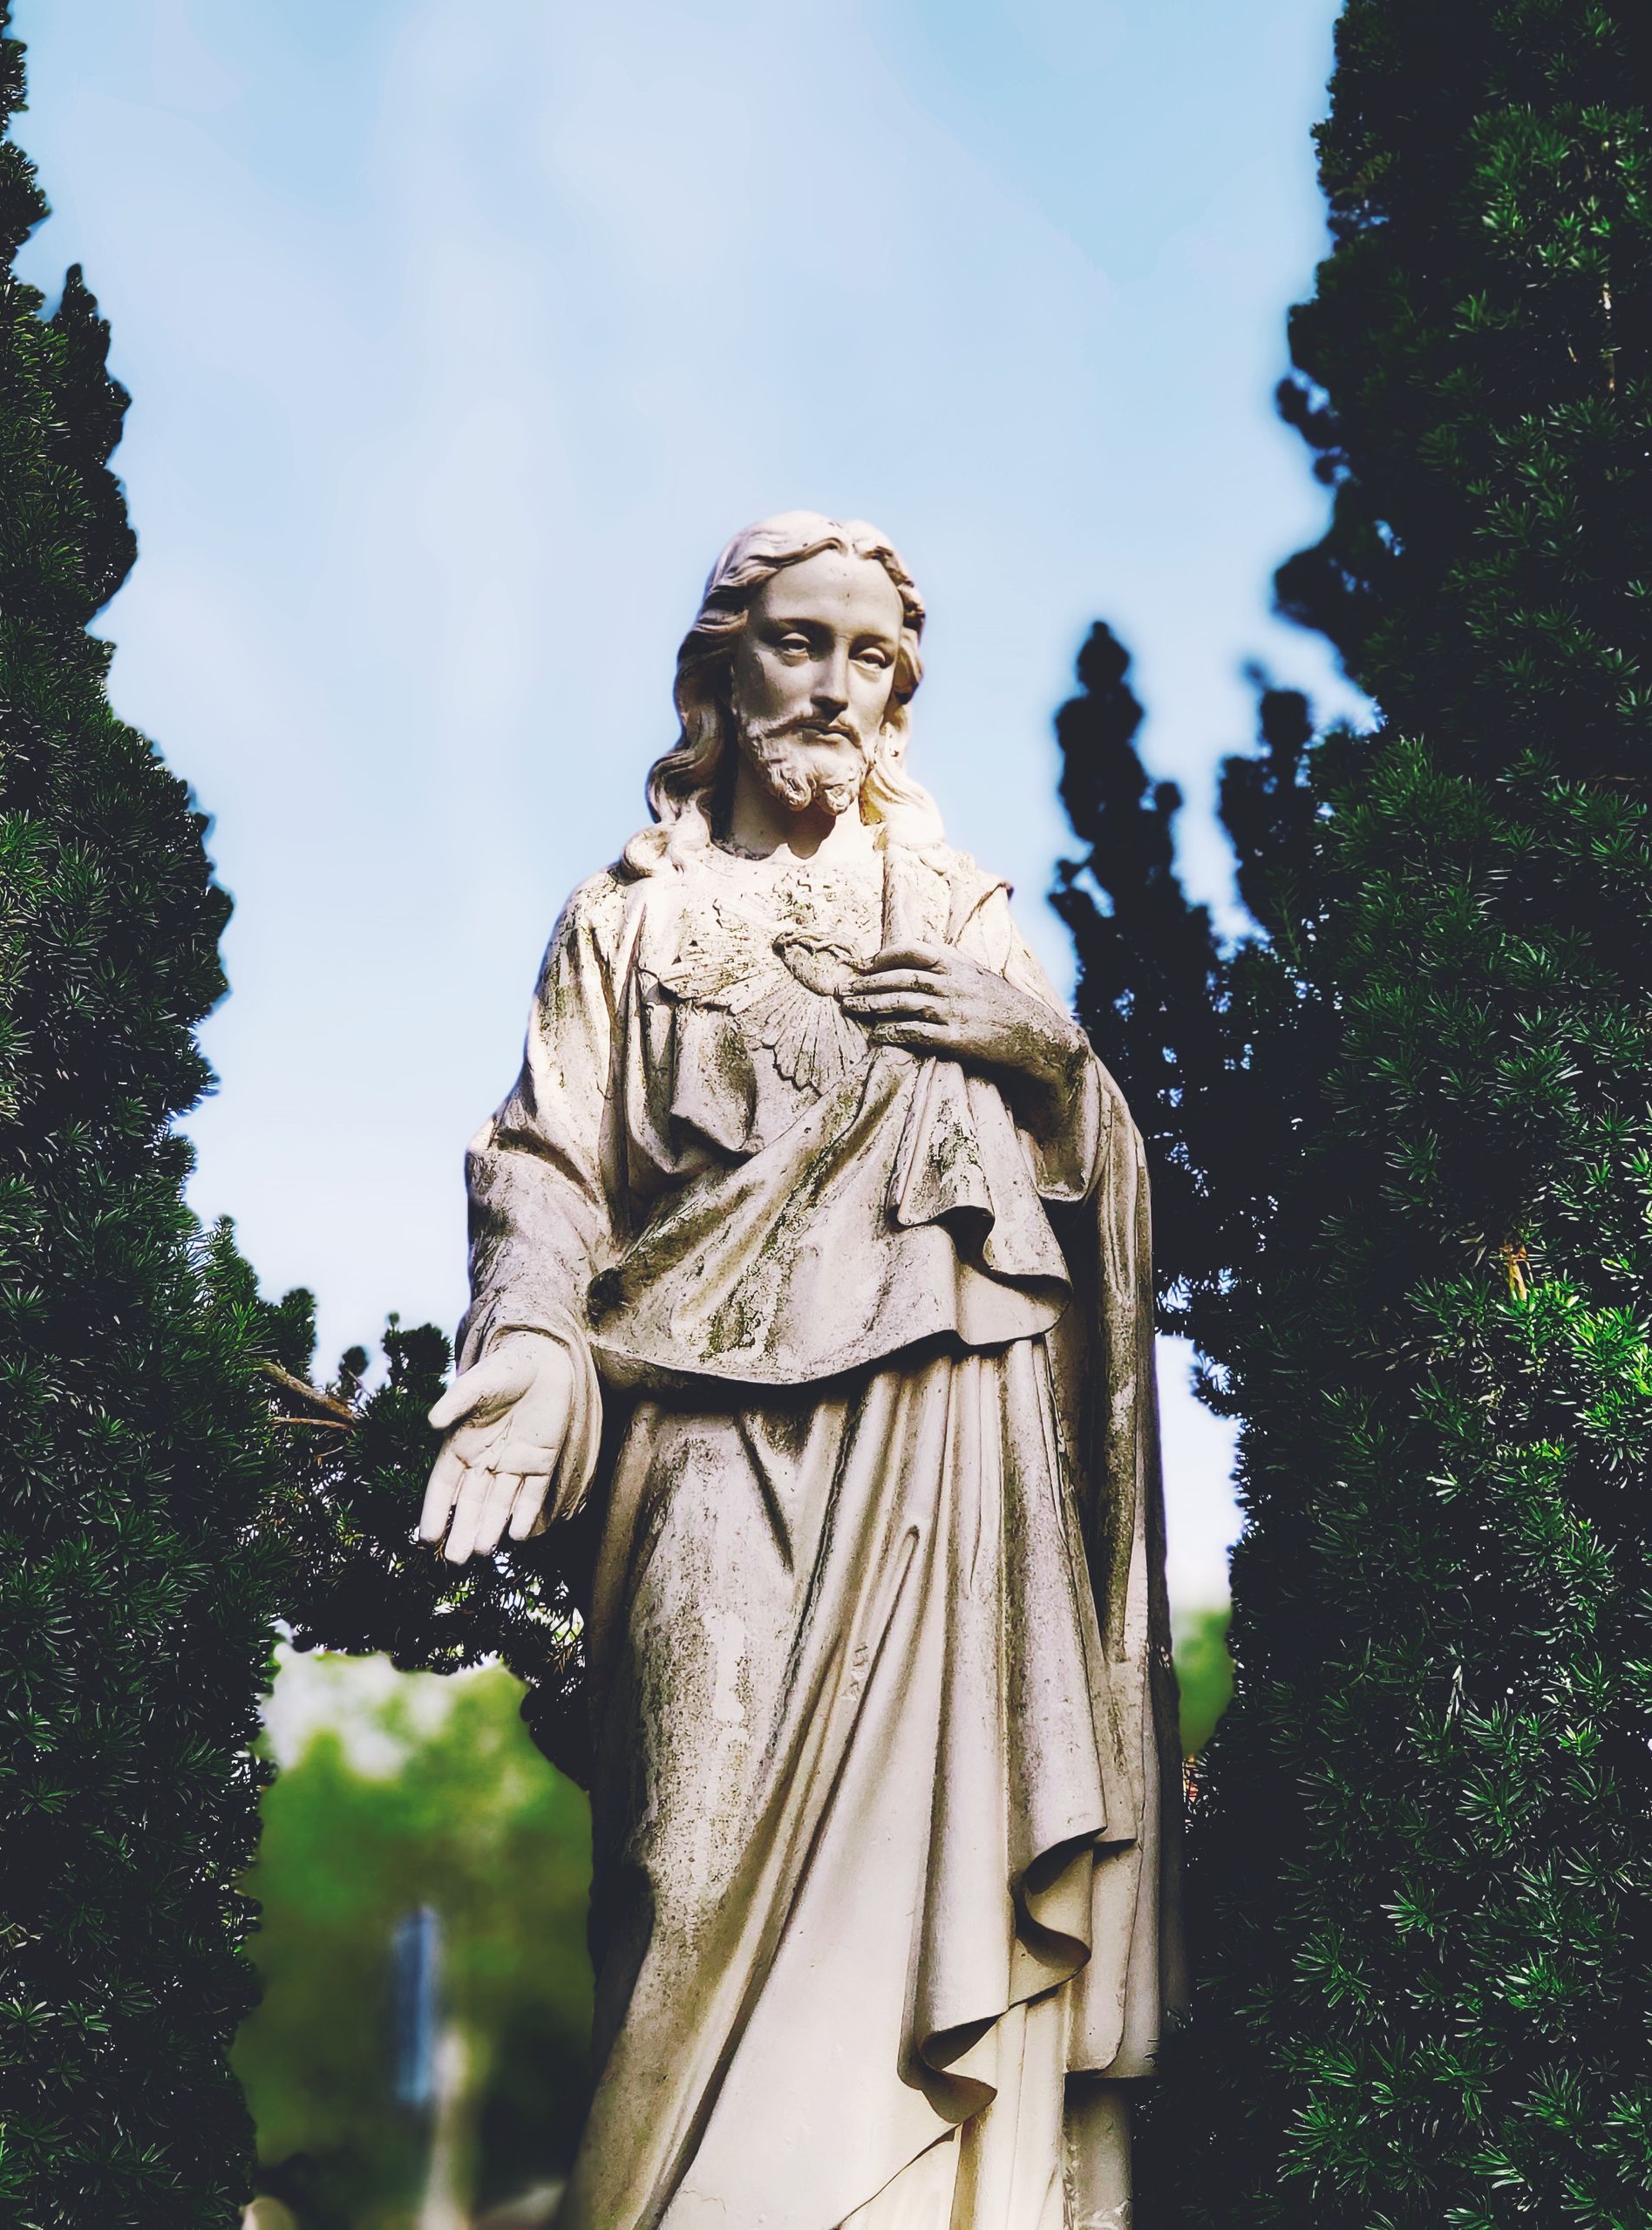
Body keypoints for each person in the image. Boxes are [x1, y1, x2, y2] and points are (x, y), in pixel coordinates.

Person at [419, 513, 1184, 2230]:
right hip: (705, 1441)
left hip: (938, 1444)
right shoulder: (626, 921)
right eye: (799, 641)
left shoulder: (957, 909)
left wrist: (1048, 1056)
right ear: (721, 663)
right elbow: (547, 1165)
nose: (835, 683)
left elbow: (1090, 1180)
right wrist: (533, 1342)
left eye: (870, 654)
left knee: (940, 1882)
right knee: (686, 1876)